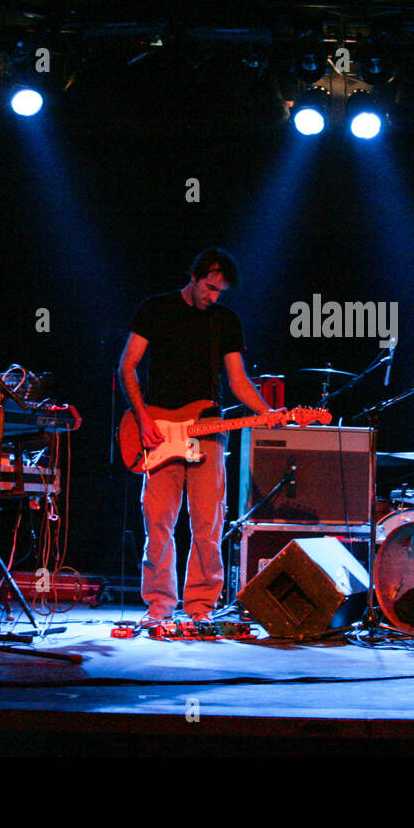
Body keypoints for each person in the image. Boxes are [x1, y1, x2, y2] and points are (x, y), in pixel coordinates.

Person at [119, 248, 280, 627]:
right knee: (158, 521)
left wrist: (265, 413)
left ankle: (201, 606)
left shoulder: (226, 321)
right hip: (157, 428)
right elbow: (127, 365)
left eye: (220, 292)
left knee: (208, 523)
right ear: (194, 276)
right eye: (209, 288)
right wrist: (142, 419)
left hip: (205, 427)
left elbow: (238, 381)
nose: (213, 297)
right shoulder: (155, 309)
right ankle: (159, 605)